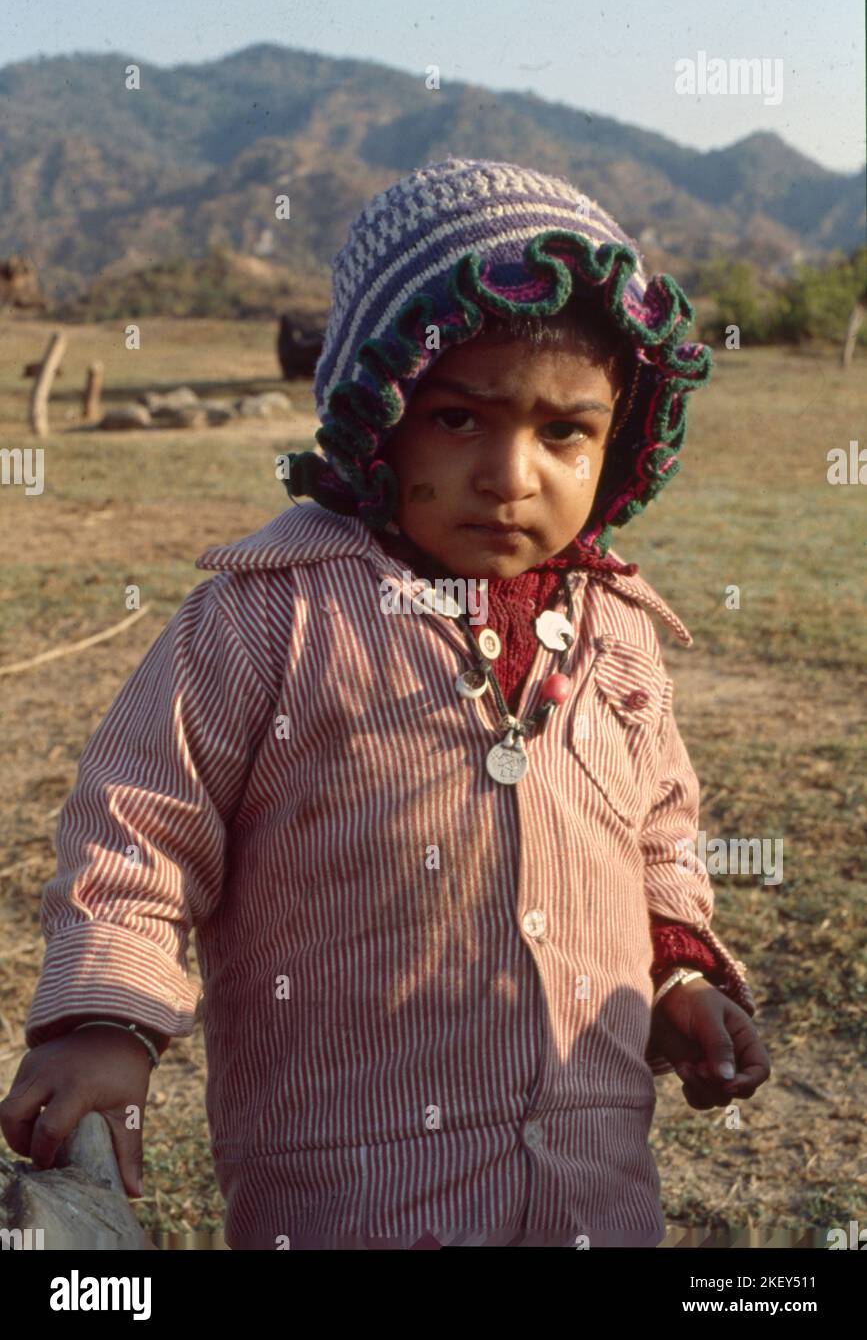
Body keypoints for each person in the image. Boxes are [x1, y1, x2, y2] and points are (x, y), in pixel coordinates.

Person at [1, 158, 769, 1249]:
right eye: (460, 419)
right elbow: (138, 824)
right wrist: (102, 1024)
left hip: (595, 1187)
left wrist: (679, 970)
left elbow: (661, 830)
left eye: (566, 433)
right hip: (347, 1192)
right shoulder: (267, 618)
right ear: (379, 409)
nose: (512, 473)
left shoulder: (622, 631)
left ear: (624, 435)